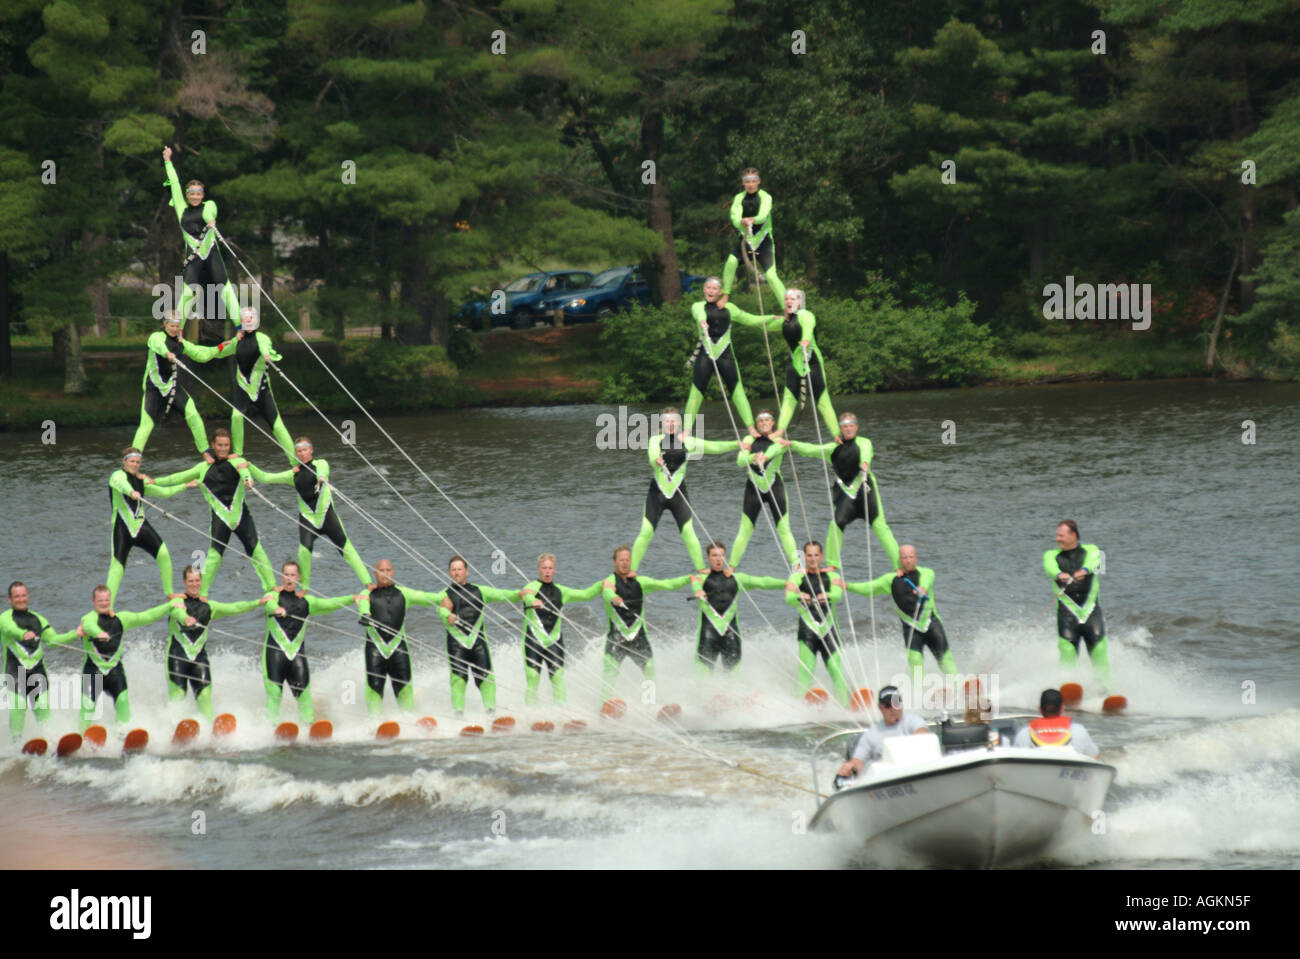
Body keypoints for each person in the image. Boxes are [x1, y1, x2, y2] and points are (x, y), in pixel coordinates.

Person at [152, 428, 279, 595]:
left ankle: (272, 589)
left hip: (241, 516)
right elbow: (176, 477)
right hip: (220, 519)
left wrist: (248, 480)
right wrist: (153, 481)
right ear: (213, 445)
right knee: (213, 557)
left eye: (226, 445)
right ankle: (201, 594)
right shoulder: (202, 468)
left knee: (256, 550)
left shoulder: (236, 461)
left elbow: (245, 471)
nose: (223, 448)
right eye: (220, 445)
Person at [779, 412, 899, 571]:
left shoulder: (864, 442)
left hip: (864, 489)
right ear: (840, 429)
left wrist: (865, 463)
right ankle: (833, 565)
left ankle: (900, 565)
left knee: (880, 526)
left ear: (856, 427)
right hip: (845, 492)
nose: (848, 429)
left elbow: (866, 452)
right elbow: (812, 449)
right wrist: (791, 444)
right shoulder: (833, 448)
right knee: (836, 525)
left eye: (851, 426)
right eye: (845, 426)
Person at [630, 407, 738, 576]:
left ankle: (702, 569)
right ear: (662, 423)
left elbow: (715, 447)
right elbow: (652, 456)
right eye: (666, 421)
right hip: (656, 493)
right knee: (646, 531)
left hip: (678, 493)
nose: (670, 424)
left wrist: (737, 444)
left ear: (679, 423)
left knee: (688, 531)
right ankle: (632, 571)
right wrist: (656, 460)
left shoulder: (688, 441)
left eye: (673, 420)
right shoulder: (655, 440)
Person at [843, 544, 958, 691]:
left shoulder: (926, 572)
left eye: (911, 557)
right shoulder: (890, 580)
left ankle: (959, 687)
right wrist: (847, 585)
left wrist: (922, 588)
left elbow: (927, 580)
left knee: (945, 659)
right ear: (900, 560)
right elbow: (869, 588)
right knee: (915, 661)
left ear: (916, 558)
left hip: (931, 623)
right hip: (911, 628)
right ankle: (919, 694)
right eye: (905, 557)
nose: (908, 560)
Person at [261, 436, 370, 590]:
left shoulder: (321, 463)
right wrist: (246, 467)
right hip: (308, 518)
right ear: (296, 454)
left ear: (311, 450)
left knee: (346, 548)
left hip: (326, 515)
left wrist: (321, 478)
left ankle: (368, 584)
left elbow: (323, 470)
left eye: (305, 450)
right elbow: (266, 478)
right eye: (299, 451)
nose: (302, 453)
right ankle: (304, 589)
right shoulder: (293, 474)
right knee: (303, 551)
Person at [260, 560, 359, 724]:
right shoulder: (273, 597)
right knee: (274, 694)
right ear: (282, 577)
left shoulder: (308, 602)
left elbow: (329, 604)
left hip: (296, 655)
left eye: (292, 575)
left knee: (304, 695)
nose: (289, 578)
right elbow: (269, 604)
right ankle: (271, 728)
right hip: (274, 655)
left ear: (298, 578)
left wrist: (352, 598)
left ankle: (309, 728)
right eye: (286, 575)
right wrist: (276, 609)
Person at [166, 565, 268, 721]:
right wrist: (185, 618)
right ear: (185, 583)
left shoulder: (209, 607)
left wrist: (258, 602)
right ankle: (172, 728)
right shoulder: (177, 602)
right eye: (191, 581)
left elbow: (234, 608)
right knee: (178, 695)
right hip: (177, 657)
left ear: (201, 581)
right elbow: (177, 613)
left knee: (205, 695)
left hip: (199, 658)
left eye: (197, 580)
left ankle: (207, 730)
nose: (194, 584)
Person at [162, 145, 242, 340]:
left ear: (202, 195)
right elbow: (174, 183)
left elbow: (209, 212)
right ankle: (178, 330)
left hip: (211, 253)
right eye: (191, 194)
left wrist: (210, 221)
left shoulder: (209, 206)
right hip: (195, 256)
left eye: (198, 194)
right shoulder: (182, 208)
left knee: (224, 287)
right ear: (187, 196)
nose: (195, 197)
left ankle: (240, 325)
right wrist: (168, 162)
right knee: (188, 291)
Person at [71, 586, 176, 729]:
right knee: (88, 705)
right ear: (93, 601)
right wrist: (98, 633)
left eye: (107, 600)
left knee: (122, 701)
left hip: (115, 670)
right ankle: (81, 736)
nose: (104, 603)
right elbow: (88, 626)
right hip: (93, 669)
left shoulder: (122, 618)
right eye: (100, 600)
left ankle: (123, 734)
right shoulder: (88, 618)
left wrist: (170, 605)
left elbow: (146, 616)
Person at [434, 555, 523, 717]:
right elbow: (439, 609)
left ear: (466, 572)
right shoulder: (444, 595)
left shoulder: (480, 591)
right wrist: (446, 614)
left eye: (459, 569)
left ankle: (491, 715)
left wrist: (521, 593)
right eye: (453, 570)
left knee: (486, 678)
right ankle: (458, 716)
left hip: (478, 643)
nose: (456, 573)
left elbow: (503, 595)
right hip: (456, 645)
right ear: (449, 573)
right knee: (458, 680)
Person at [599, 545, 691, 701]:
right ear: (614, 561)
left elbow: (667, 584)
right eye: (621, 560)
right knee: (610, 672)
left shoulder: (641, 582)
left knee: (649, 669)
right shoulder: (608, 582)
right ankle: (604, 705)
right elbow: (606, 592)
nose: (625, 563)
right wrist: (613, 597)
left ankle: (649, 703)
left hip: (638, 637)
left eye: (627, 560)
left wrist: (689, 579)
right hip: (616, 638)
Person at [355, 559, 445, 715]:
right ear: (375, 573)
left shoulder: (404, 593)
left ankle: (408, 721)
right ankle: (374, 723)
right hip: (376, 649)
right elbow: (363, 606)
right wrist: (365, 615)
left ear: (393, 572)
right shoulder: (366, 594)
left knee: (404, 687)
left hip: (399, 649)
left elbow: (427, 597)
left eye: (388, 570)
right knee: (374, 686)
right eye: (381, 570)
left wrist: (446, 597)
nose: (385, 573)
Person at [684, 277, 771, 434]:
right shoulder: (698, 306)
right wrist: (703, 321)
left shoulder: (730, 308)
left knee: (738, 391)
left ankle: (751, 428)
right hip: (706, 353)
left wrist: (771, 318)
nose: (710, 291)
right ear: (704, 290)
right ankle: (686, 431)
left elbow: (751, 320)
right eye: (708, 288)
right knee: (696, 392)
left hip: (725, 354)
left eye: (714, 288)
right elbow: (698, 313)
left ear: (720, 292)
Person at [131, 310, 226, 453]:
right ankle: (132, 457)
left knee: (193, 414)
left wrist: (219, 348)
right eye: (172, 326)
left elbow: (200, 354)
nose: (175, 329)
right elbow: (157, 345)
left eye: (177, 326)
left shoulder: (181, 343)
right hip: (153, 387)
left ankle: (206, 453)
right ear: (165, 324)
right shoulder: (156, 337)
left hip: (172, 386)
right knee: (147, 424)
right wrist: (166, 353)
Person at [752, 289, 838, 439]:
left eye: (793, 299)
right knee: (789, 399)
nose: (789, 301)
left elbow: (808, 327)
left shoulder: (806, 315)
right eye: (786, 299)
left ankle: (837, 434)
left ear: (800, 302)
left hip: (812, 361)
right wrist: (734, 316)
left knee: (822, 401)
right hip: (794, 362)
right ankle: (779, 431)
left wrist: (805, 340)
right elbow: (760, 324)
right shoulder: (784, 321)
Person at [105, 447, 188, 603]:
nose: (135, 465)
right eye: (132, 461)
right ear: (124, 462)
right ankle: (107, 606)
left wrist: (187, 485)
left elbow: (164, 492)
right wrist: (131, 492)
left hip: (141, 526)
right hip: (122, 528)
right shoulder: (117, 476)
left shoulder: (141, 481)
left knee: (163, 553)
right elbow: (121, 484)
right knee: (117, 566)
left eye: (138, 462)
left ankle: (169, 593)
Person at [518, 554, 602, 706]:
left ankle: (561, 713)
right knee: (533, 678)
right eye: (544, 568)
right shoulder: (530, 587)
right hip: (533, 641)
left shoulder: (562, 591)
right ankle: (530, 714)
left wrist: (602, 585)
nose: (547, 571)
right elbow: (527, 596)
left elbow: (586, 594)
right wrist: (533, 600)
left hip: (554, 641)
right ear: (539, 570)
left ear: (555, 570)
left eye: (550, 568)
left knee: (557, 678)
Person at [691, 542, 786, 677]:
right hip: (708, 634)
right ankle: (701, 696)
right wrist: (699, 591)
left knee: (732, 676)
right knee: (703, 675)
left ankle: (732, 696)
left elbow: (763, 582)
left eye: (721, 555)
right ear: (708, 558)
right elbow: (696, 585)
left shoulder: (737, 578)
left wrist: (787, 583)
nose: (718, 559)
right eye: (714, 556)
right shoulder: (700, 578)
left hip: (731, 634)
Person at [1, 583, 77, 740]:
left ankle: (48, 741)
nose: (21, 599)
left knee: (42, 706)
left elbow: (53, 640)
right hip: (14, 670)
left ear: (27, 596)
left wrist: (76, 633)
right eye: (17, 596)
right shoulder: (4, 617)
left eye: (24, 595)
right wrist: (23, 634)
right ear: (10, 599)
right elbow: (10, 629)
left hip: (37, 669)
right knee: (19, 706)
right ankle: (17, 743)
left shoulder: (39, 619)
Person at [1043, 520, 1110, 688]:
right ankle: (1066, 688)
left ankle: (1106, 689)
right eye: (1057, 535)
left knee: (1099, 649)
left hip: (1090, 611)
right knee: (1067, 650)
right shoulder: (1051, 555)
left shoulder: (1091, 550)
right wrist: (1060, 574)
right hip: (1067, 612)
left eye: (1061, 535)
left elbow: (1095, 561)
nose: (1057, 538)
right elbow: (1050, 567)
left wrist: (1084, 571)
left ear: (1073, 535)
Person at [730, 408, 800, 569]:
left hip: (775, 486)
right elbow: (740, 461)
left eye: (767, 420)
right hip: (753, 488)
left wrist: (765, 456)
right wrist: (752, 457)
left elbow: (777, 449)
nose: (764, 423)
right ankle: (731, 566)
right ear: (756, 424)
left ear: (773, 423)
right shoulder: (749, 438)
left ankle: (796, 565)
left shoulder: (779, 440)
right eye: (760, 421)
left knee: (783, 528)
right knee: (745, 529)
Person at [785, 541, 852, 707]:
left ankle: (844, 706)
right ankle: (799, 707)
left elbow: (837, 596)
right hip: (807, 631)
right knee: (806, 670)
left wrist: (826, 595)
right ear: (805, 557)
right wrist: (801, 595)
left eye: (816, 555)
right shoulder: (796, 577)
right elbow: (788, 599)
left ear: (821, 556)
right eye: (809, 555)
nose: (813, 558)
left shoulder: (833, 576)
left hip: (829, 631)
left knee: (836, 670)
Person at [228, 307, 295, 462]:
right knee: (236, 416)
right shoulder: (236, 341)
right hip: (243, 387)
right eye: (245, 318)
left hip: (261, 388)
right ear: (241, 322)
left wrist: (267, 354)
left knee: (277, 425)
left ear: (256, 320)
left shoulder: (262, 337)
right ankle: (238, 452)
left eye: (251, 318)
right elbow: (218, 352)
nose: (248, 321)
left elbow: (266, 347)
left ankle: (295, 461)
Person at [835, 685, 932, 783]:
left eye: (896, 704)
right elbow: (857, 761)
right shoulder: (871, 734)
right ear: (880, 707)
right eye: (888, 706)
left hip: (916, 770)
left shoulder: (914, 721)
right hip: (885, 780)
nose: (893, 709)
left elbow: (922, 734)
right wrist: (849, 768)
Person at [719, 168, 786, 308]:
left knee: (771, 276)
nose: (750, 184)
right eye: (747, 181)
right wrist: (741, 222)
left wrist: (752, 220)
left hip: (763, 241)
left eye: (753, 181)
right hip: (746, 240)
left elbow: (763, 216)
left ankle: (788, 308)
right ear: (743, 183)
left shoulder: (766, 197)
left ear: (759, 182)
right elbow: (735, 218)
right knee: (731, 262)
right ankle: (725, 295)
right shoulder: (739, 198)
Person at [1012, 688, 1101, 759]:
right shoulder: (1078, 730)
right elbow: (1096, 757)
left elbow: (1014, 762)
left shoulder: (1024, 733)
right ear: (1062, 708)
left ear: (1039, 709)